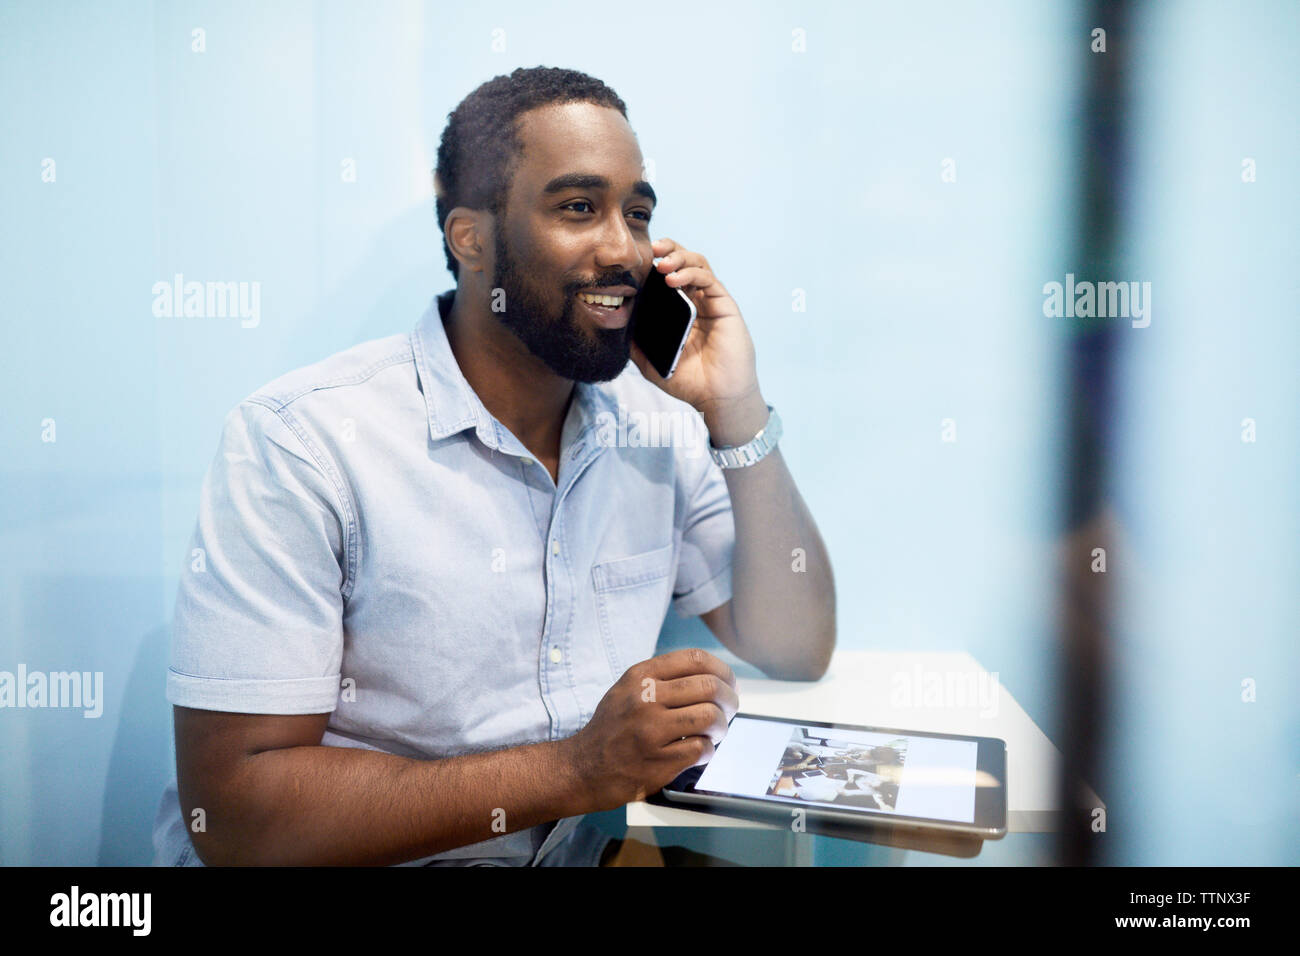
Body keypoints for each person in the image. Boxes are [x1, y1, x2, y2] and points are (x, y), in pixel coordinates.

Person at [151, 66, 836, 867]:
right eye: (579, 208)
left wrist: (736, 408)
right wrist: (579, 769)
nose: (625, 250)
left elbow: (796, 645)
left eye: (638, 213)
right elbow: (234, 816)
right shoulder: (303, 443)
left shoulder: (659, 432)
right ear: (470, 238)